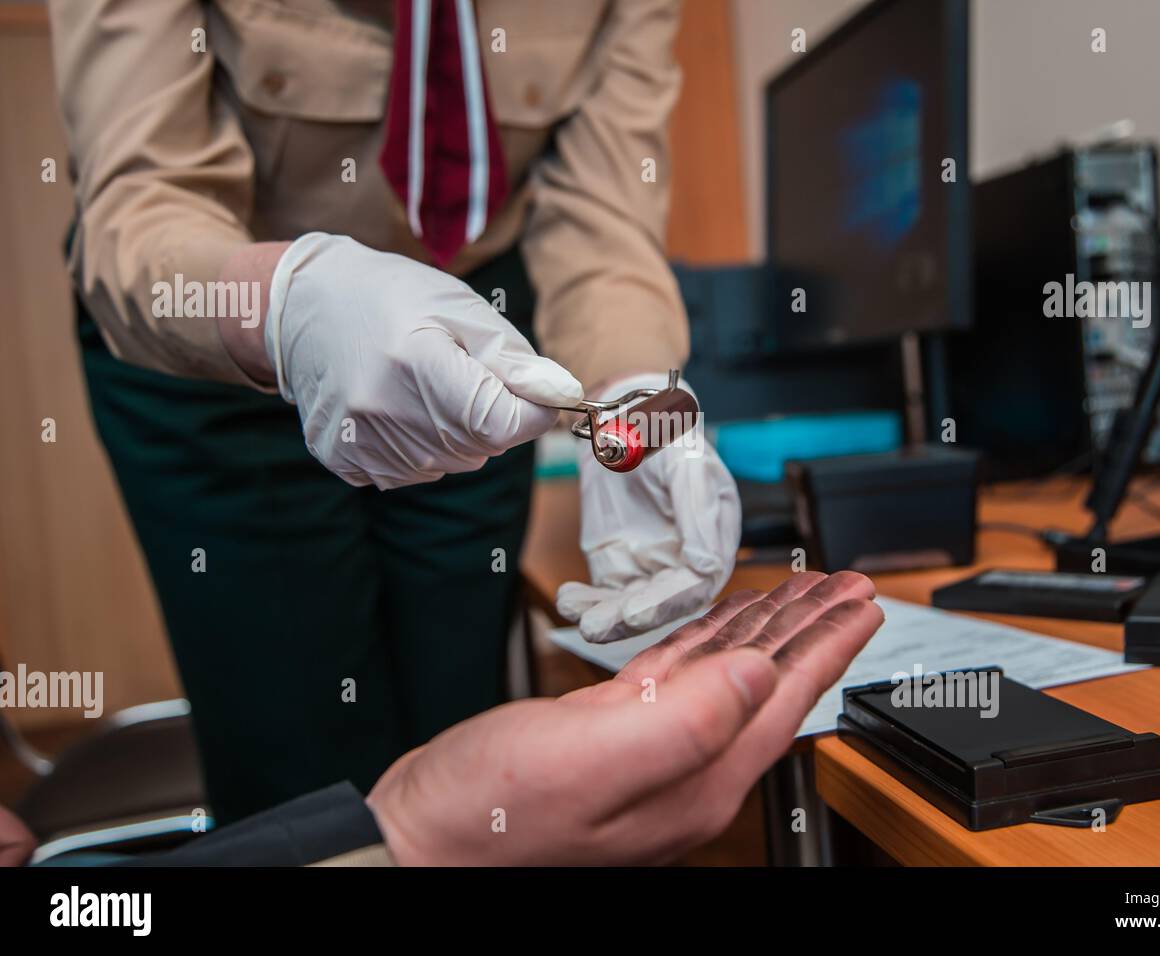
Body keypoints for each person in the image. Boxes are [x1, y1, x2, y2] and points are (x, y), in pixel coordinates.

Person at [47, 0, 740, 824]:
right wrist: (290, 306)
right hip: (224, 332)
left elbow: (604, 209)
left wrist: (638, 398)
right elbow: (138, 193)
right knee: (303, 772)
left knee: (464, 734)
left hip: (473, 333)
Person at [3, 573, 882, 866]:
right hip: (216, 384)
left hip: (462, 415)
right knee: (295, 737)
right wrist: (407, 839)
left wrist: (633, 387)